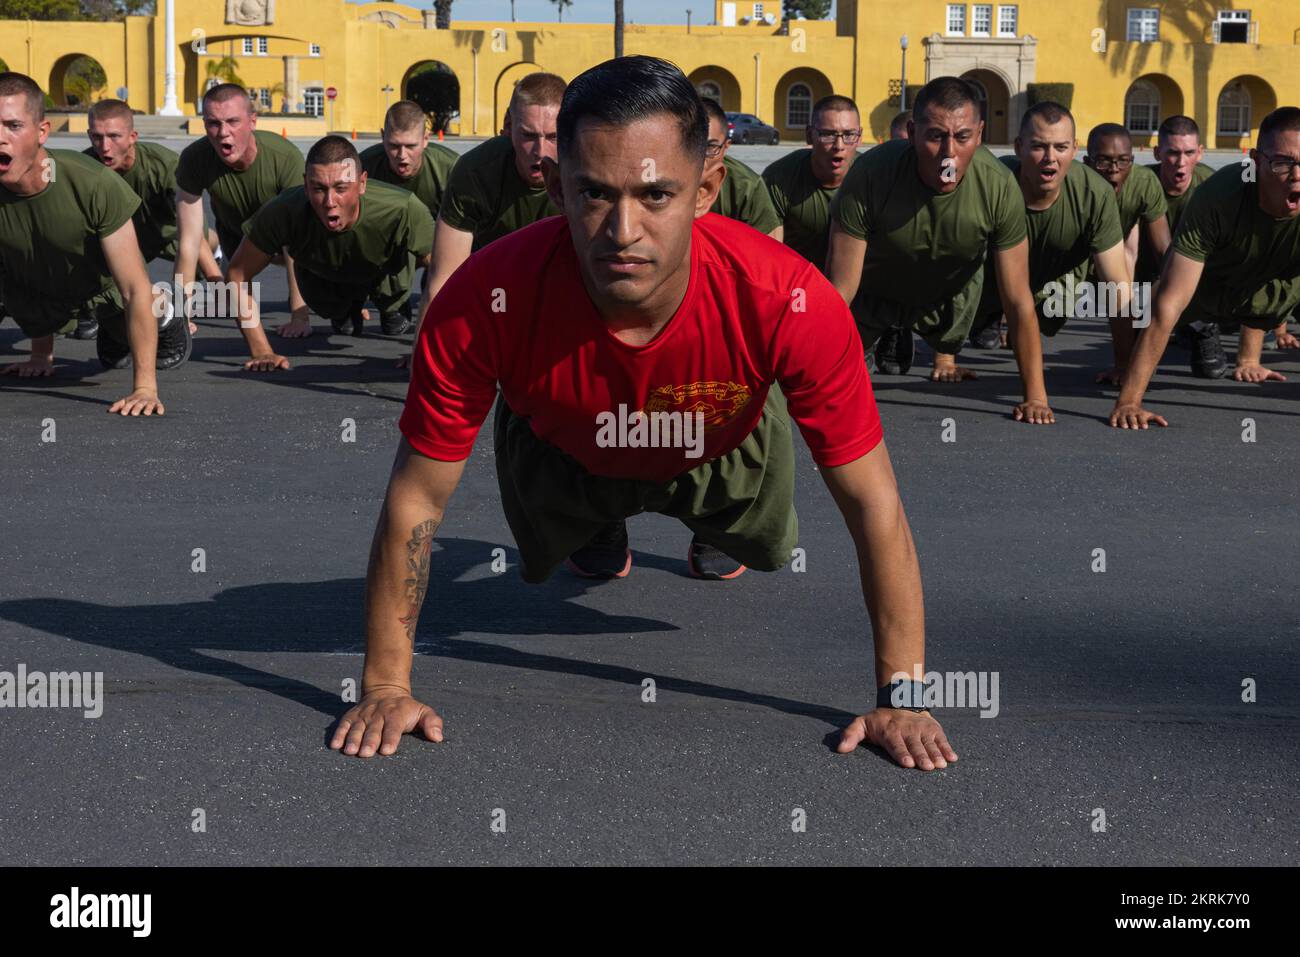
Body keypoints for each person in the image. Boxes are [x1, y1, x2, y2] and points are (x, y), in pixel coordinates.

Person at [330, 56, 957, 772]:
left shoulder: (788, 299)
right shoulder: (484, 301)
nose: (622, 230)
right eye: (594, 193)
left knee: (734, 549)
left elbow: (874, 499)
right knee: (585, 542)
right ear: (558, 187)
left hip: (720, 448)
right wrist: (384, 684)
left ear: (707, 189)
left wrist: (903, 694)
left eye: (656, 194)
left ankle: (701, 524)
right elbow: (416, 497)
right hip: (565, 450)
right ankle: (601, 525)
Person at [826, 77, 1052, 423]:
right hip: (878, 284)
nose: (949, 153)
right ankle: (887, 331)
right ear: (913, 132)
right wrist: (807, 378)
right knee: (835, 374)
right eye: (935, 136)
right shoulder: (871, 174)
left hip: (948, 291)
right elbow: (839, 291)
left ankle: (923, 335)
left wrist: (1035, 396)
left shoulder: (1000, 187)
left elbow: (1019, 300)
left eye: (962, 138)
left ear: (979, 134)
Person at [0, 71, 187, 414]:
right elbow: (26, 258)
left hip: (103, 292)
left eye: (12, 125)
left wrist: (144, 388)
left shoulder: (93, 184)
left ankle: (167, 312)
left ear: (42, 132)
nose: (0, 138)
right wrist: (41, 353)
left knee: (133, 313)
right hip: (46, 294)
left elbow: (133, 287)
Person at [1111, 106, 1300, 429]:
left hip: (1277, 292)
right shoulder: (1219, 196)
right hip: (1209, 287)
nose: (1297, 176)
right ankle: (1194, 332)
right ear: (1256, 160)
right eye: (1282, 163)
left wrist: (1249, 360)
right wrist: (1130, 400)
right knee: (1142, 304)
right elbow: (1168, 304)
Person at [397, 72, 565, 368]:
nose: (540, 152)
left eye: (553, 137)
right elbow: (443, 279)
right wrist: (420, 365)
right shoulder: (475, 172)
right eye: (527, 136)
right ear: (508, 127)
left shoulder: (587, 169)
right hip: (493, 273)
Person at [224, 136, 434, 371]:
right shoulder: (283, 210)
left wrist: (424, 349)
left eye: (341, 188)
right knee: (339, 316)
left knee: (395, 320)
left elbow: (448, 276)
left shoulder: (403, 209)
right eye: (318, 189)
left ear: (362, 183)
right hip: (324, 279)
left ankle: (392, 305)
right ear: (305, 185)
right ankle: (345, 310)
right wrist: (262, 350)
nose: (329, 202)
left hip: (385, 275)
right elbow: (237, 275)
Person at [962, 104, 1131, 388]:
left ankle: (1019, 317)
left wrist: (1125, 366)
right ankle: (987, 313)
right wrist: (945, 358)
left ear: (1074, 149)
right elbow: (952, 260)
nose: (1050, 159)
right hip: (993, 273)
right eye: (1039, 147)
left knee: (1046, 317)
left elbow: (1118, 286)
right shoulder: (992, 183)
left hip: (1056, 275)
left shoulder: (1096, 194)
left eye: (1061, 147)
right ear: (1018, 147)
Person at [174, 84, 311, 338]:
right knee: (236, 305)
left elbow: (298, 241)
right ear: (204, 125)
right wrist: (180, 317)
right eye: (213, 123)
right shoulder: (195, 159)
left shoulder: (284, 158)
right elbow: (189, 242)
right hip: (235, 238)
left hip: (285, 240)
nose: (223, 133)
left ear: (252, 121)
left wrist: (299, 316)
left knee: (331, 298)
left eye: (233, 122)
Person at [84, 98, 224, 338]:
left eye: (114, 136)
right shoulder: (85, 168)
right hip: (123, 238)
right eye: (97, 137)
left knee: (200, 241)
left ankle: (214, 252)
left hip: (168, 233)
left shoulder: (165, 166)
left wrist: (213, 283)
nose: (104, 146)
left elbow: (190, 238)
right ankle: (90, 310)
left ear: (132, 137)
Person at [1136, 115, 1228, 377]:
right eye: (1173, 152)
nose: (1181, 162)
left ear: (1199, 153)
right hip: (1146, 275)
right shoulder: (1141, 182)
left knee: (1209, 372)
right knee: (1134, 364)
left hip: (1196, 278)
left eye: (1189, 152)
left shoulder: (1213, 186)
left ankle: (1202, 327)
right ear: (1157, 152)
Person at [358, 100, 458, 335]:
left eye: (411, 146)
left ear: (426, 139)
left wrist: (439, 268)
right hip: (386, 244)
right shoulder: (363, 167)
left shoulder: (451, 168)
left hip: (437, 241)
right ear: (383, 137)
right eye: (393, 145)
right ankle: (388, 302)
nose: (402, 156)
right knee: (344, 321)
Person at [762, 94, 860, 273]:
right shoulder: (779, 178)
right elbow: (769, 255)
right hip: (797, 282)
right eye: (827, 135)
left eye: (849, 135)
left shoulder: (870, 176)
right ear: (809, 136)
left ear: (859, 137)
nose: (839, 145)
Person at [700, 97, 782, 239]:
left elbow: (768, 250)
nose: (699, 156)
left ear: (726, 147)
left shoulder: (747, 186)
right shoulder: (659, 176)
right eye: (690, 145)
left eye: (710, 147)